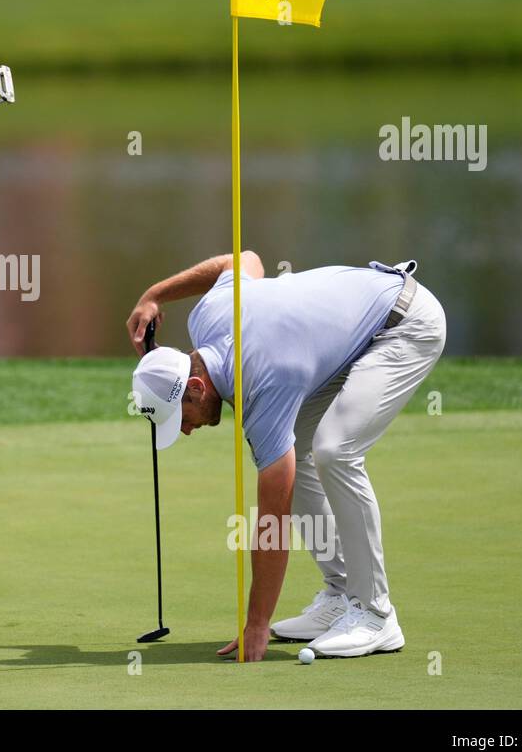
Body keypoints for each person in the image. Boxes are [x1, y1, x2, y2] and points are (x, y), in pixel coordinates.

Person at [126, 251, 446, 660]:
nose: (185, 430)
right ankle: (343, 591)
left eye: (181, 418)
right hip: (358, 334)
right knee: (301, 444)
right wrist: (156, 295)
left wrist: (257, 622)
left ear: (196, 387)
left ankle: (376, 615)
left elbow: (273, 518)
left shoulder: (263, 384)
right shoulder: (205, 315)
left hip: (405, 322)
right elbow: (244, 261)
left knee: (335, 450)